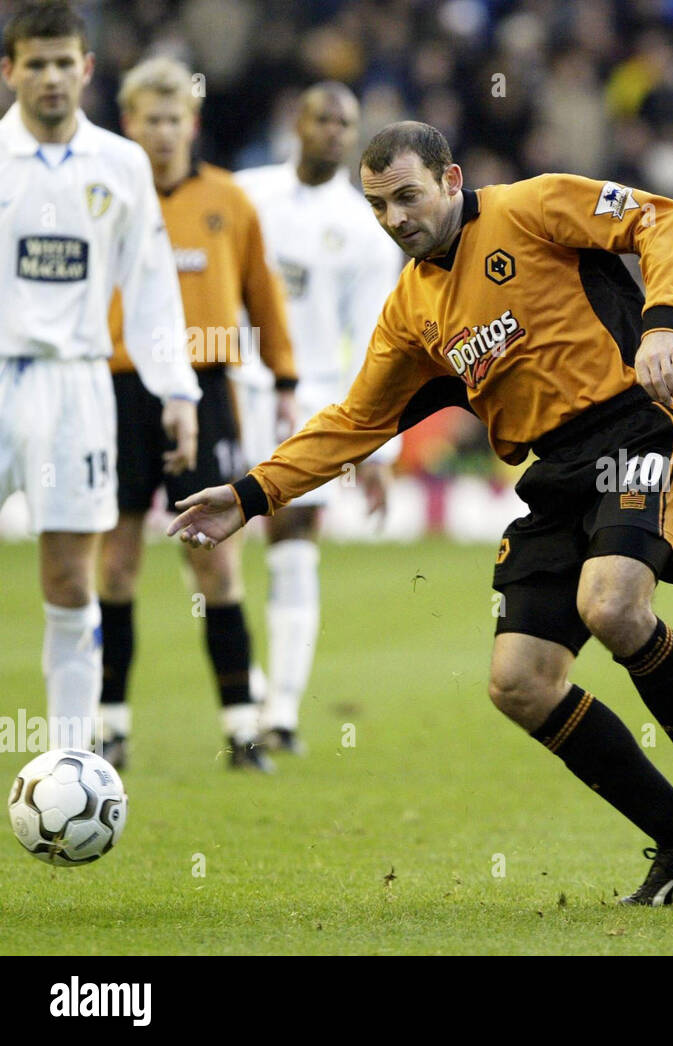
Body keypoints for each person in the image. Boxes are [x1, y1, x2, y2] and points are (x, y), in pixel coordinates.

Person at [168, 121, 673, 904]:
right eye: (377, 205)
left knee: (613, 605)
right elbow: (355, 421)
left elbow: (662, 218)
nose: (393, 219)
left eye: (407, 196)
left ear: (452, 182)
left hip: (638, 427)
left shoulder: (534, 207)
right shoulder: (411, 312)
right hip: (555, 474)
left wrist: (664, 322)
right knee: (520, 682)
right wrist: (251, 495)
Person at [0, 2, 199, 751]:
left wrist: (177, 389)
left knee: (71, 581)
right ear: (9, 70)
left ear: (85, 70)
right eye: (36, 63)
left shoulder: (120, 165)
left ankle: (71, 758)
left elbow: (150, 284)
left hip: (78, 386)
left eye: (64, 63)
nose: (51, 78)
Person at [96, 56, 297, 772]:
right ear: (129, 123)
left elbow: (261, 292)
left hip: (208, 389)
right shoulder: (107, 194)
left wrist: (284, 375)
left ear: (192, 121)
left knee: (215, 560)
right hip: (118, 386)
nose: (160, 131)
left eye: (172, 117)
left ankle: (242, 729)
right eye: (149, 118)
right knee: (115, 561)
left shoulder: (228, 201)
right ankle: (110, 727)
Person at [234, 82, 404, 756]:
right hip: (233, 383)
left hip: (314, 398)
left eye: (345, 123)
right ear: (295, 122)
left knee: (294, 537)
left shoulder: (367, 224)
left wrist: (378, 447)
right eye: (322, 119)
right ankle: (242, 683)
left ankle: (281, 708)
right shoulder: (246, 195)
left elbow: (374, 335)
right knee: (211, 549)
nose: (333, 132)